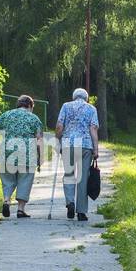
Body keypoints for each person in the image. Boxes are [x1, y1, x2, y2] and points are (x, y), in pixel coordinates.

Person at [0, 94, 44, 218]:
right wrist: (40, 158)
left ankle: (7, 200)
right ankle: (20, 209)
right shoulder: (34, 118)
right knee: (25, 180)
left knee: (7, 180)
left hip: (8, 152)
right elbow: (39, 139)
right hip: (27, 154)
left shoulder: (7, 115)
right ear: (30, 106)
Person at [55, 87, 99, 221]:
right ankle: (81, 212)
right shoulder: (91, 109)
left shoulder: (66, 106)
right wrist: (96, 149)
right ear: (86, 98)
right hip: (85, 145)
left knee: (69, 174)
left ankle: (70, 203)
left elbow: (59, 126)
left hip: (68, 144)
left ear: (74, 97)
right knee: (82, 177)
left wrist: (57, 139)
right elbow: (93, 129)